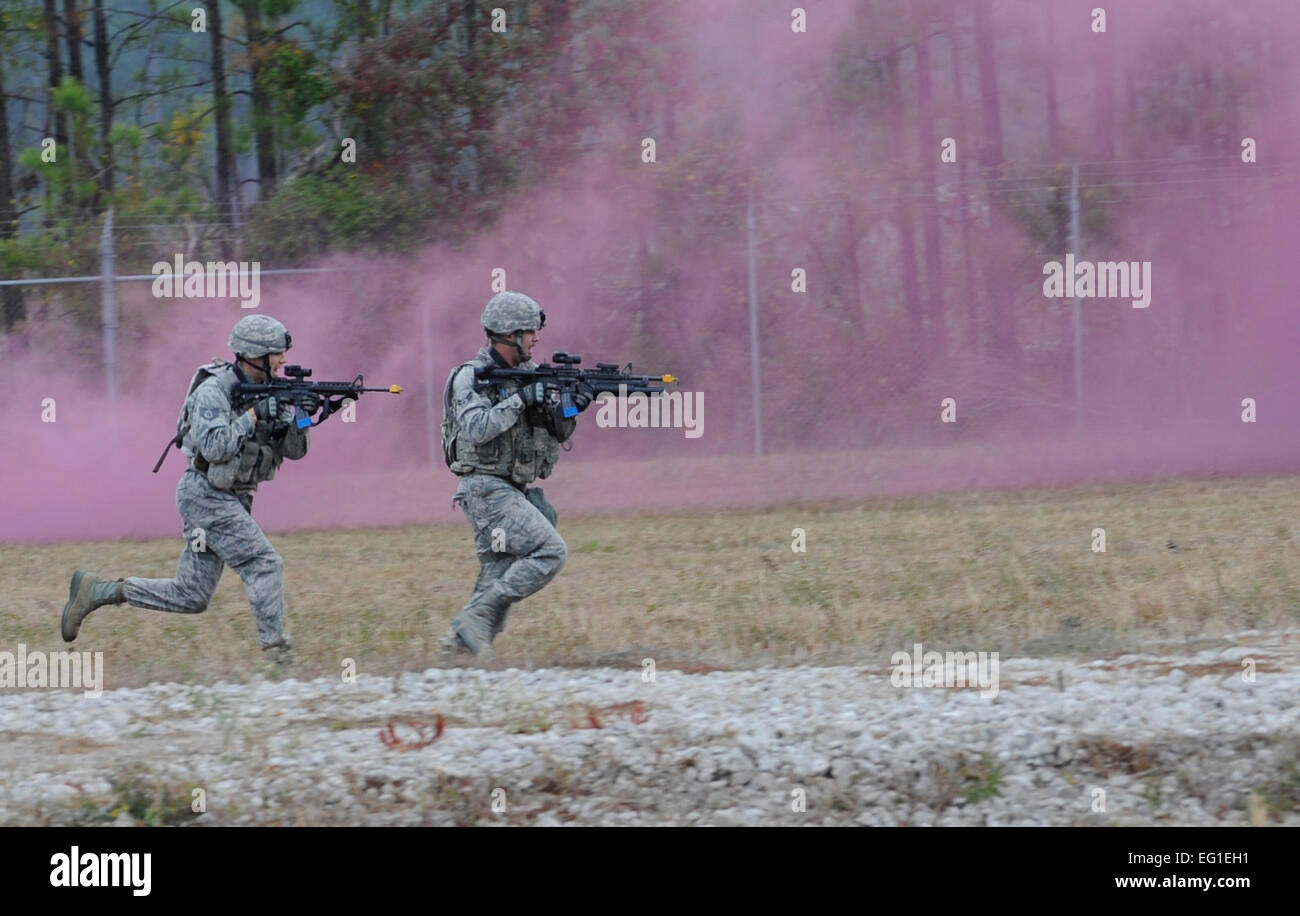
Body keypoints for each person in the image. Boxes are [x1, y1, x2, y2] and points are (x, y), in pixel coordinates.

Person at [60, 314, 319, 662]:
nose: (284, 360)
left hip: (233, 497)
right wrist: (254, 415)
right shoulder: (214, 392)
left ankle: (97, 591)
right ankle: (277, 653)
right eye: (277, 353)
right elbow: (214, 448)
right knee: (264, 562)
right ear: (255, 355)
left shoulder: (274, 392)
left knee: (191, 595)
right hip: (206, 496)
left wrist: (302, 417)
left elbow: (295, 451)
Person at [439, 291, 595, 658]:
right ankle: (476, 618)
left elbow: (556, 431)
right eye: (531, 332)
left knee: (499, 571)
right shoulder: (471, 377)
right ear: (509, 334)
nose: (537, 338)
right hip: (486, 490)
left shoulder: (531, 375)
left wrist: (571, 408)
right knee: (550, 551)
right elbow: (477, 428)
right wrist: (523, 398)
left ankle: (460, 649)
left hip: (511, 489)